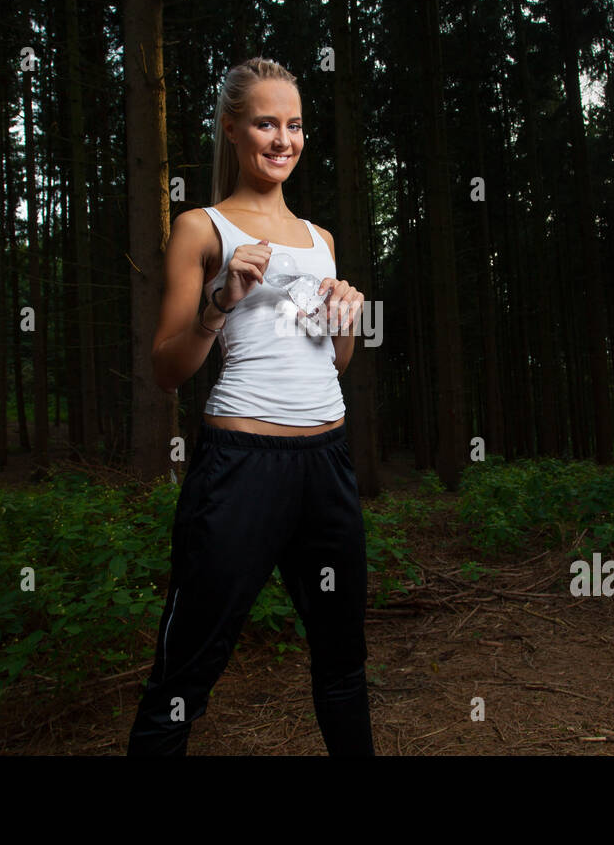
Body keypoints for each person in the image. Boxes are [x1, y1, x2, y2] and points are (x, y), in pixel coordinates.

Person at [126, 57, 374, 756]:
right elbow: (166, 369)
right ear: (233, 130)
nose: (282, 139)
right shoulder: (200, 227)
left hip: (326, 467)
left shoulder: (320, 240)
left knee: (343, 663)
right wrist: (219, 302)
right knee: (184, 673)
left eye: (294, 125)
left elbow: (335, 364)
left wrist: (343, 321)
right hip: (241, 468)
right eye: (266, 123)